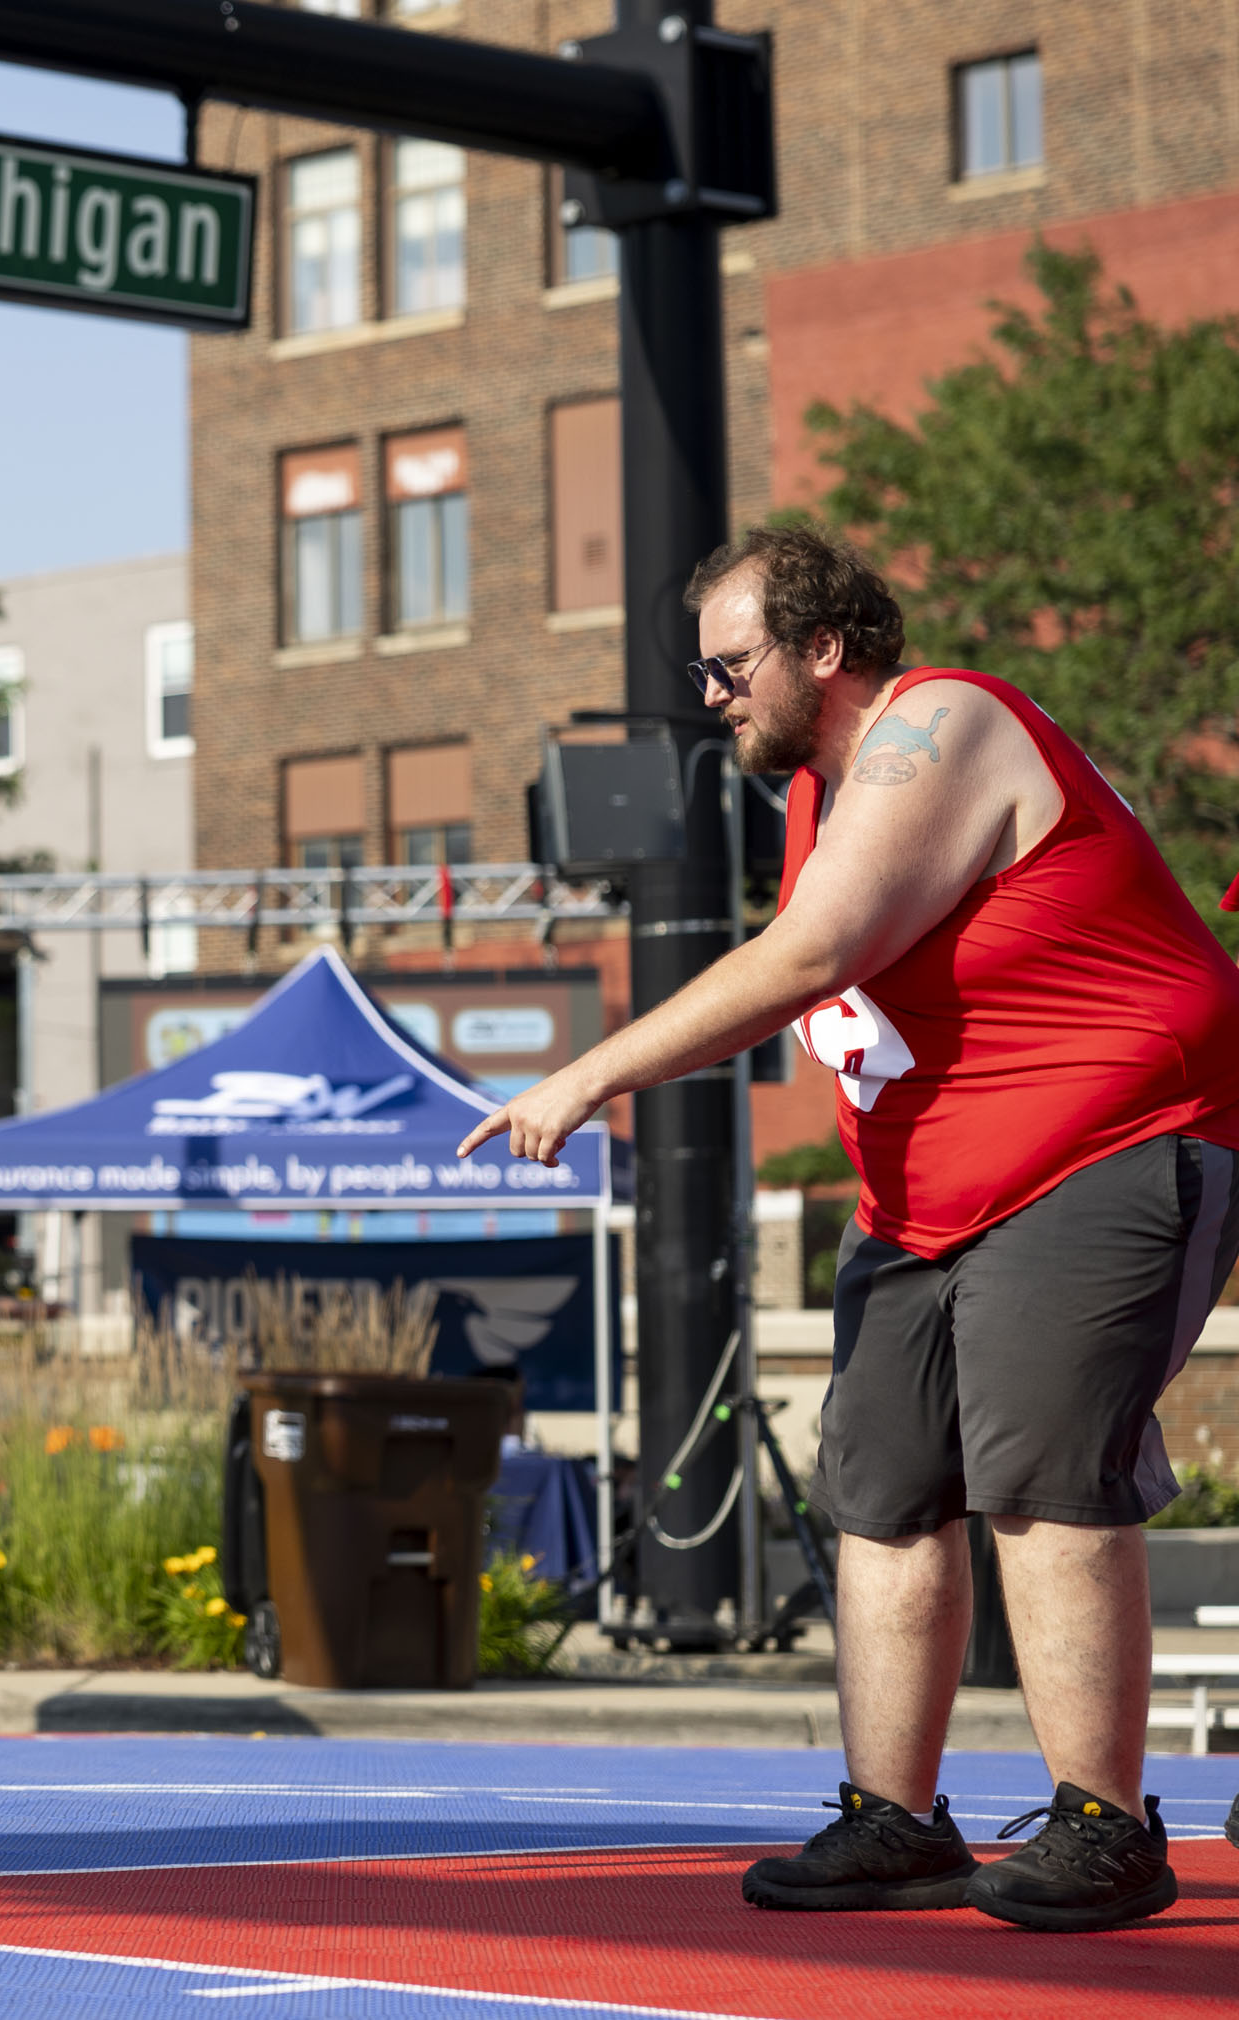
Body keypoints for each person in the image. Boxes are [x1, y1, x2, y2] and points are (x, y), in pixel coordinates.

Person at [459, 524, 1239, 1932]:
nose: (710, 694)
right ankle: (895, 1819)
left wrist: (587, 1073)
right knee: (879, 1487)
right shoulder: (821, 798)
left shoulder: (940, 722)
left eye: (729, 662)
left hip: (1108, 1143)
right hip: (928, 1200)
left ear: (826, 647)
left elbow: (809, 959)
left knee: (1040, 1478)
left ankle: (1107, 1825)